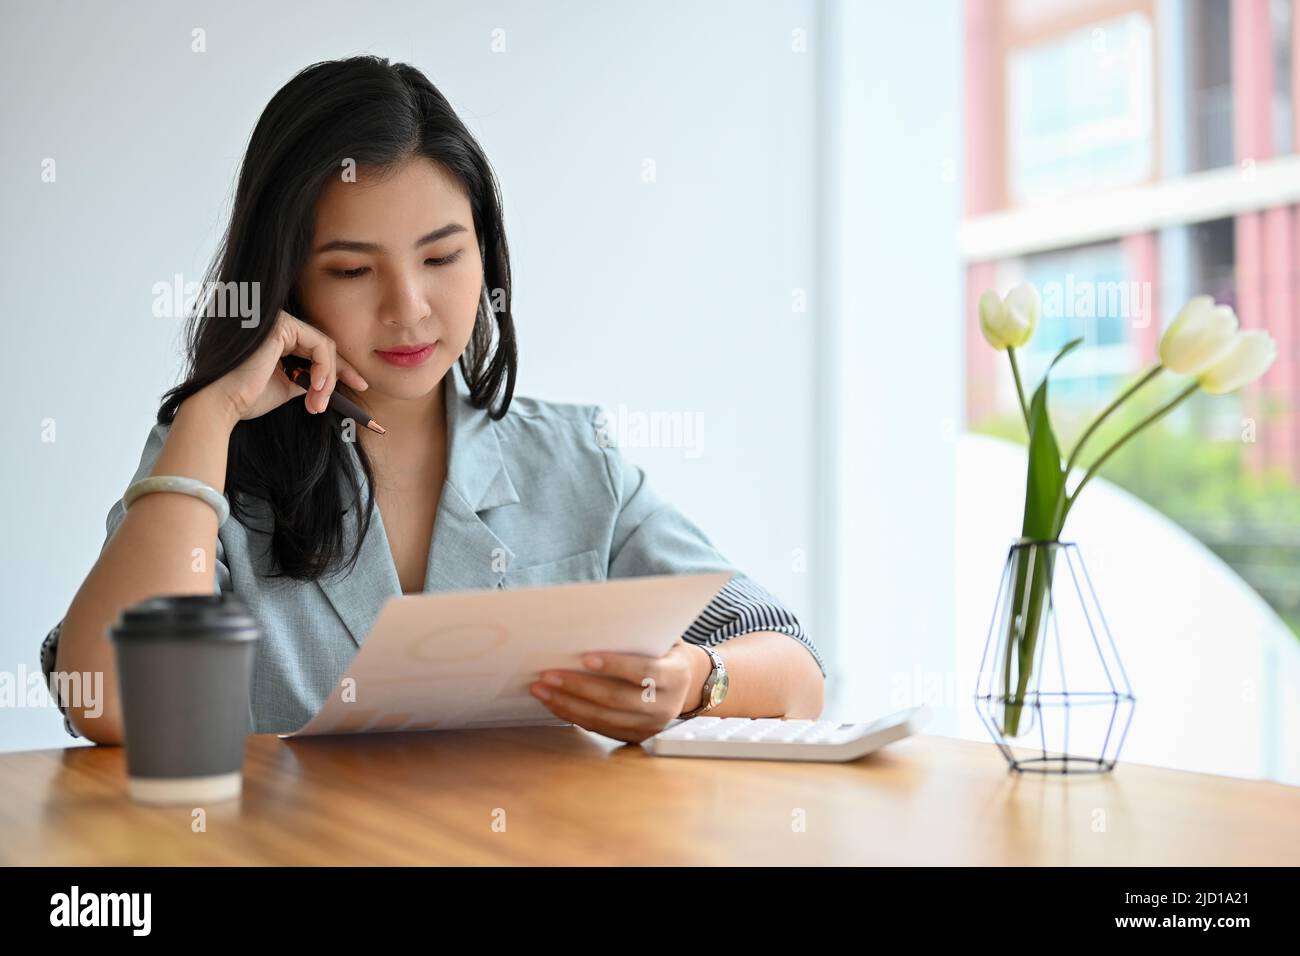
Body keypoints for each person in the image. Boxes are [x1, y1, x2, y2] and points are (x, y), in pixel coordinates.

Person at [42, 55, 826, 746]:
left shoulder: (571, 457)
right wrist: (209, 414)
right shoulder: (209, 453)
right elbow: (111, 703)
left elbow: (794, 672)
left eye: (443, 256)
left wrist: (692, 679)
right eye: (353, 271)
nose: (409, 307)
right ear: (286, 280)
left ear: (486, 255)